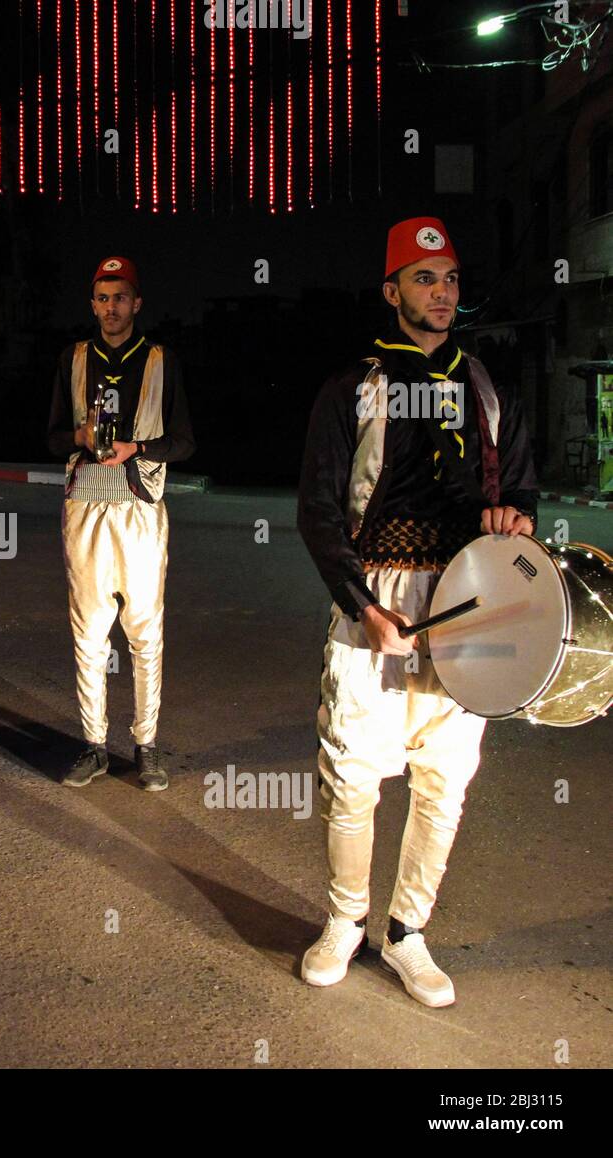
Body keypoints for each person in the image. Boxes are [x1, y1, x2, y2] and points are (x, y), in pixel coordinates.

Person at [297, 217, 539, 1006]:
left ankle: (407, 932)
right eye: (425, 279)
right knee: (355, 774)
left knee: (446, 777)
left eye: (452, 280)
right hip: (377, 602)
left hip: (469, 602)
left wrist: (515, 519)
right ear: (392, 289)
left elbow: (523, 494)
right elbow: (319, 514)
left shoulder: (489, 386)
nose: (442, 293)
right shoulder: (352, 386)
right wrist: (360, 605)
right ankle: (344, 923)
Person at [47, 257, 196, 791]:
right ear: (93, 305)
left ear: (137, 303)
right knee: (88, 632)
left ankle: (146, 744)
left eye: (120, 298)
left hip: (139, 505)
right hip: (86, 504)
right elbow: (51, 437)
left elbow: (184, 442)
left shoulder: (160, 359)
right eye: (102, 299)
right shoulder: (74, 358)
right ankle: (93, 745)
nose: (111, 308)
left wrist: (137, 447)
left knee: (144, 630)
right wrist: (81, 440)